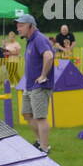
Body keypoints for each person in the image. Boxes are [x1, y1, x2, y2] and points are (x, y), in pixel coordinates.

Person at [18, 14, 55, 154]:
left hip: (40, 86)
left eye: (21, 25)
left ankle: (44, 149)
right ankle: (40, 142)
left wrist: (43, 75)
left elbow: (49, 55)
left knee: (40, 117)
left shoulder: (39, 39)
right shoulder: (30, 40)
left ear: (30, 26)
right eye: (17, 25)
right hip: (30, 85)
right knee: (27, 114)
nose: (18, 28)